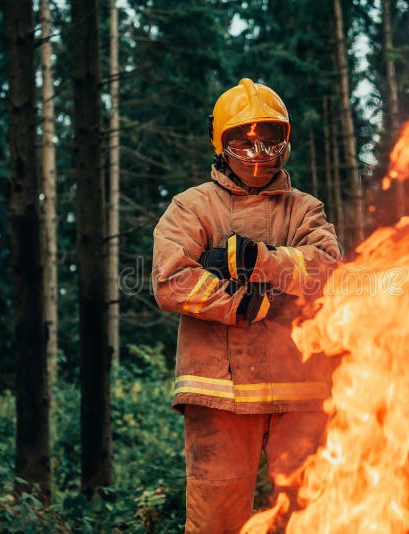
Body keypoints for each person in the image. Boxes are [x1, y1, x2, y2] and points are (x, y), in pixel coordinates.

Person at [152, 78, 341, 533]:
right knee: (214, 522)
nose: (258, 155)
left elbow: (329, 270)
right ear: (221, 145)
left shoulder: (305, 210)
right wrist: (238, 304)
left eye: (269, 144)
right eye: (244, 143)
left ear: (285, 145)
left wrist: (268, 262)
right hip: (218, 393)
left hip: (299, 390)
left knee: (311, 516)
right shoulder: (191, 207)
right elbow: (170, 280)